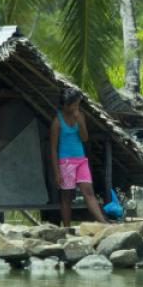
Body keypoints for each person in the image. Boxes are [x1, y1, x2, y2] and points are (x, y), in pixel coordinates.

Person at [49, 88, 106, 224]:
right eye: (74, 104)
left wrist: (80, 122)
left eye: (78, 104)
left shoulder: (80, 116)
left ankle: (104, 223)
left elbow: (84, 138)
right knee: (67, 197)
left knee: (89, 193)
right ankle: (67, 229)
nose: (76, 107)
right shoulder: (57, 122)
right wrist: (56, 172)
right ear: (65, 105)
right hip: (65, 162)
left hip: (81, 160)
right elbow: (52, 148)